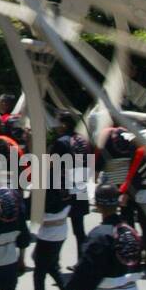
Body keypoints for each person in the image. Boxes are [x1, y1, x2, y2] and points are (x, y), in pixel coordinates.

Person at [26, 166, 76, 290]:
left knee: (38, 279)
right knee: (53, 268)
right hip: (61, 232)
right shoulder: (66, 187)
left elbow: (31, 213)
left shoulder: (44, 192)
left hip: (47, 235)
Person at [48, 111, 93, 260]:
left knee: (55, 225)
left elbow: (53, 167)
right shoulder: (83, 141)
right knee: (79, 229)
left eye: (58, 122)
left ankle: (53, 261)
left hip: (64, 189)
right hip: (80, 186)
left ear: (64, 124)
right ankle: (83, 260)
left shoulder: (61, 142)